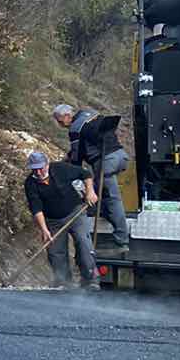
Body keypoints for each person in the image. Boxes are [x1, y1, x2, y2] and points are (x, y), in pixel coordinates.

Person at [52, 102, 130, 252]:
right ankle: (103, 214)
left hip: (106, 161)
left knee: (113, 199)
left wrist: (68, 175)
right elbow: (85, 143)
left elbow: (76, 160)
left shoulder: (75, 128)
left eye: (60, 121)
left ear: (67, 116)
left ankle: (122, 240)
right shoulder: (90, 114)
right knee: (100, 194)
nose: (61, 125)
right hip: (121, 157)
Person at [24, 150, 100, 290]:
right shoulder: (30, 184)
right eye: (35, 170)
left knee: (83, 243)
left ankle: (91, 278)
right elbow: (36, 209)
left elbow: (85, 174)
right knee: (55, 251)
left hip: (75, 212)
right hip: (53, 220)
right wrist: (44, 230)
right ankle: (64, 281)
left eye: (40, 168)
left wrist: (90, 191)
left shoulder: (60, 169)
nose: (38, 172)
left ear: (47, 165)